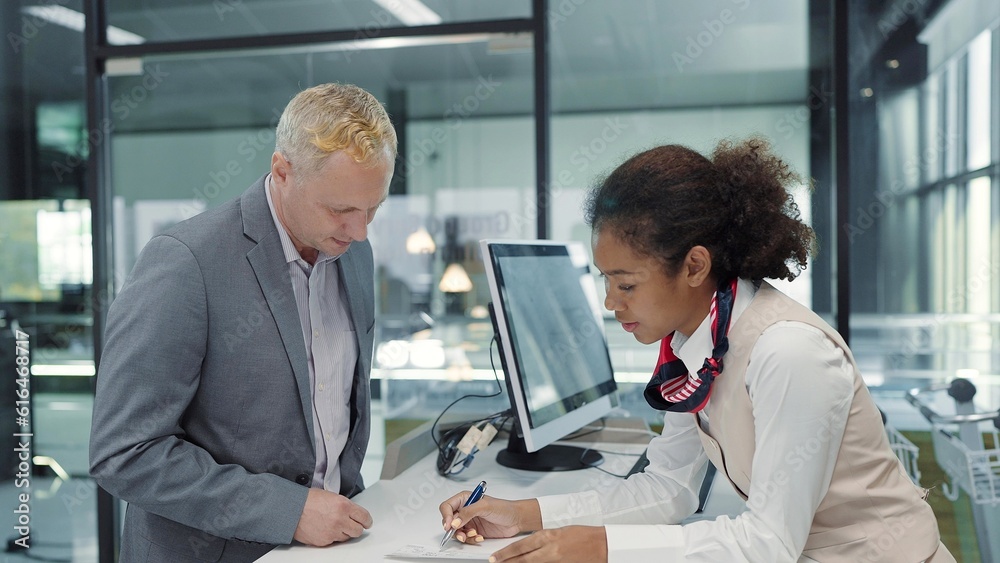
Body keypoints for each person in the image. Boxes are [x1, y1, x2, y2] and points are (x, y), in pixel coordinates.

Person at [439, 138, 954, 563]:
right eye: (606, 281)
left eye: (627, 284)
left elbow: (768, 544)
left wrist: (600, 546)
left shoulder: (788, 353)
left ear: (693, 266)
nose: (609, 302)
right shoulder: (692, 344)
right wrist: (525, 514)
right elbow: (668, 487)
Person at [90, 83, 396, 562]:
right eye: (340, 210)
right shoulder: (187, 261)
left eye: (371, 210)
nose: (358, 231)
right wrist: (287, 509)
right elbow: (124, 452)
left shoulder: (355, 254)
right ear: (283, 171)